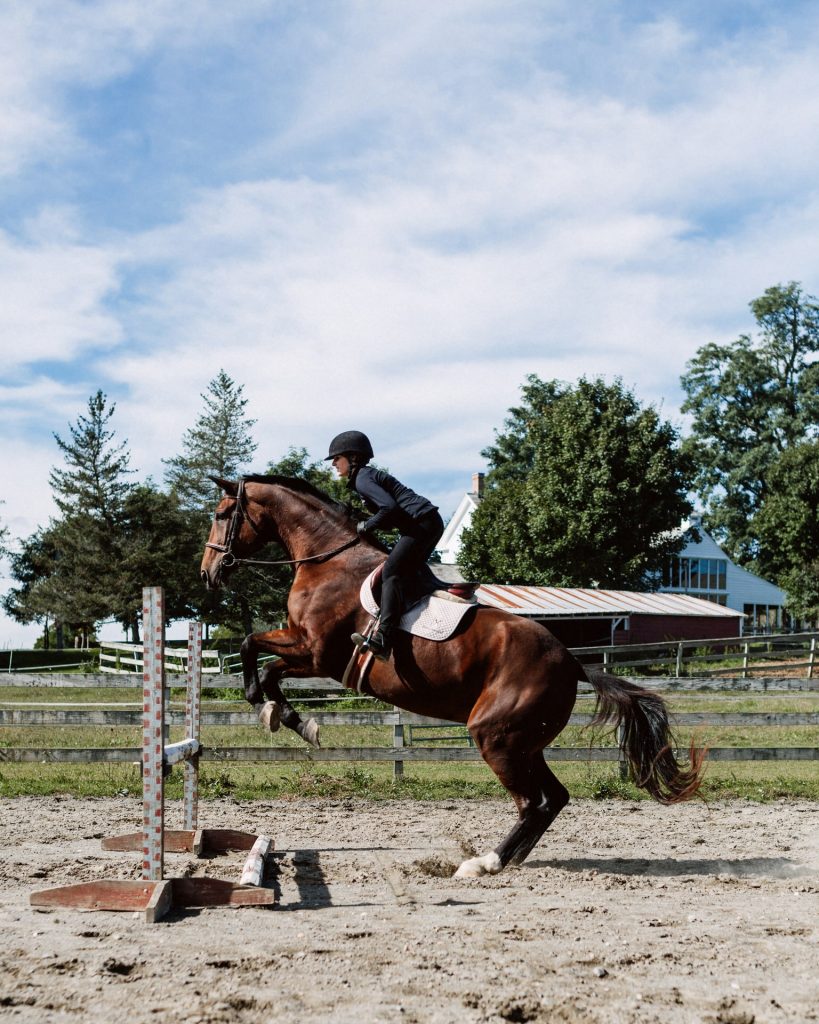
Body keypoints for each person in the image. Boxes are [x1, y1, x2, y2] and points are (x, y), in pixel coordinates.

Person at [326, 430, 444, 661]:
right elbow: (390, 517)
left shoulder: (362, 478)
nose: (333, 464)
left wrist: (367, 526)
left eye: (337, 458)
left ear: (353, 458)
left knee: (391, 572)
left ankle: (383, 638)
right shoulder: (365, 477)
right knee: (406, 574)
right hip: (428, 522)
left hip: (422, 524)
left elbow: (389, 508)